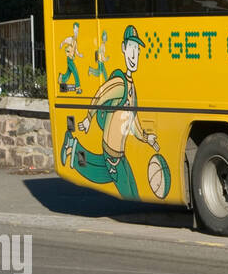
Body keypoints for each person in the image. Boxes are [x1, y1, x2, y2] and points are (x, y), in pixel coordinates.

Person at [60, 25, 157, 199]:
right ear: (123, 48)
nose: (134, 55)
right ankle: (73, 149)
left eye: (137, 50)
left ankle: (72, 147)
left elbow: (133, 120)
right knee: (130, 191)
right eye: (131, 48)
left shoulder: (132, 89)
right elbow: (100, 95)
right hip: (112, 154)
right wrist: (89, 117)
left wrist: (145, 137)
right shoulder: (121, 83)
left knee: (95, 170)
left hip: (118, 154)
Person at [57, 22, 83, 94]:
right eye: (75, 30)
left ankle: (61, 77)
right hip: (69, 60)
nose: (76, 32)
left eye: (77, 30)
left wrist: (79, 54)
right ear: (73, 29)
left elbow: (76, 50)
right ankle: (78, 89)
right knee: (75, 73)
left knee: (68, 74)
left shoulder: (75, 41)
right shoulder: (70, 39)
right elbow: (64, 41)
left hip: (71, 59)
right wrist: (61, 45)